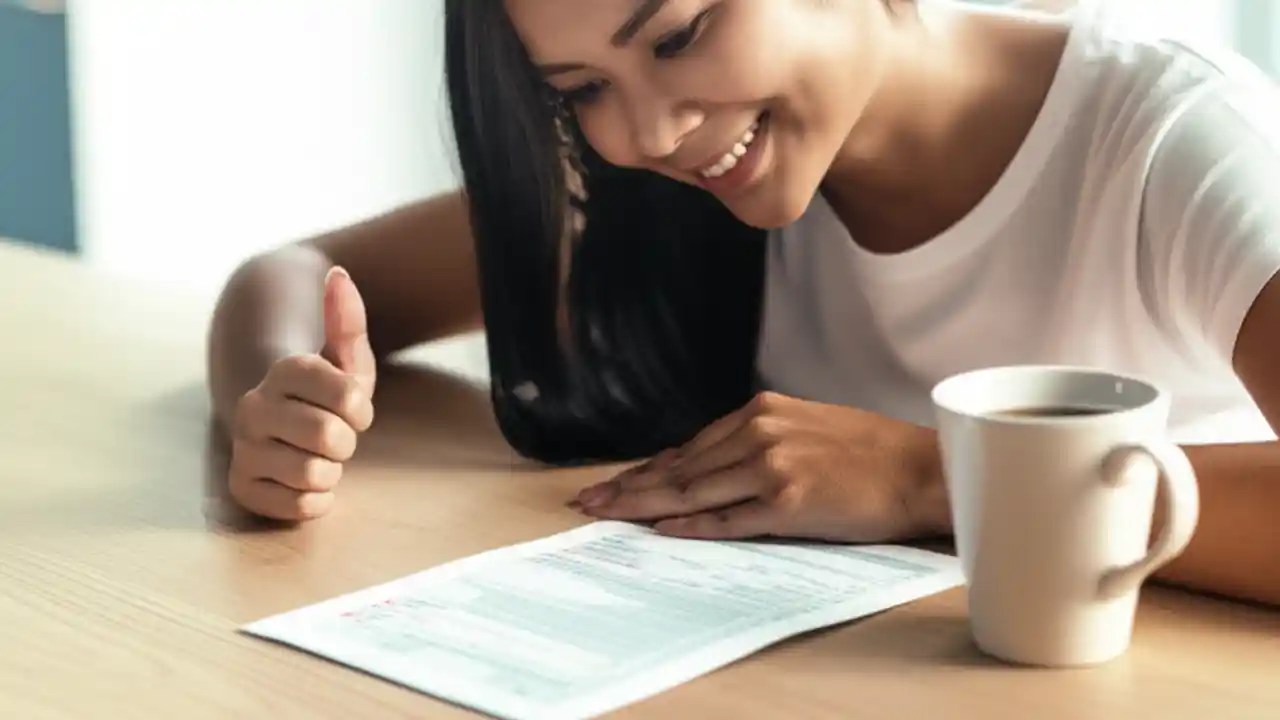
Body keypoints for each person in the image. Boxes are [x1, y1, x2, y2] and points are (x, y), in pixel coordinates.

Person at [208, 0, 1280, 605]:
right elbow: (298, 272)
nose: (644, 134)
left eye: (676, 36)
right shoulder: (671, 188)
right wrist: (276, 393)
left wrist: (931, 474)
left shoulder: (1172, 141)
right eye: (578, 90)